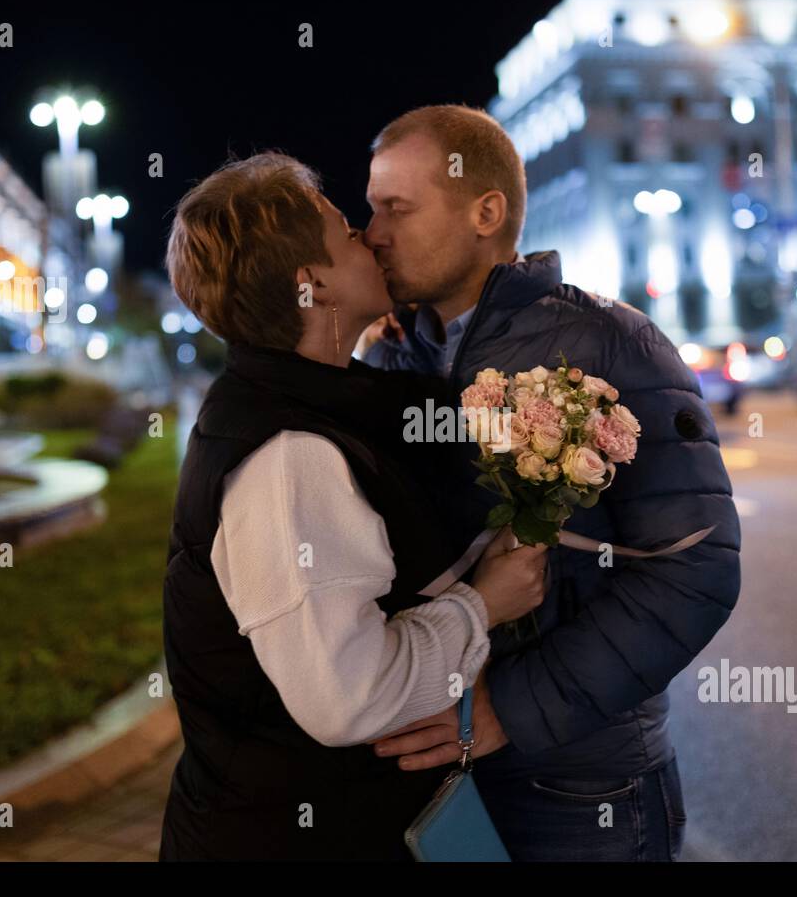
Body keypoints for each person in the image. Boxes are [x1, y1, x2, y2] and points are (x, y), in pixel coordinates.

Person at [360, 105, 742, 861]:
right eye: (372, 209)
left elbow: (697, 568)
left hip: (579, 789)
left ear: (485, 210)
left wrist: (512, 708)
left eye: (395, 208)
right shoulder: (391, 360)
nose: (373, 232)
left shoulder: (611, 342)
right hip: (427, 780)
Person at [158, 152, 546, 860]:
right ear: (312, 287)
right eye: (345, 233)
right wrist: (485, 604)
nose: (370, 236)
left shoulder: (325, 401)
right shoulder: (287, 459)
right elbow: (351, 698)